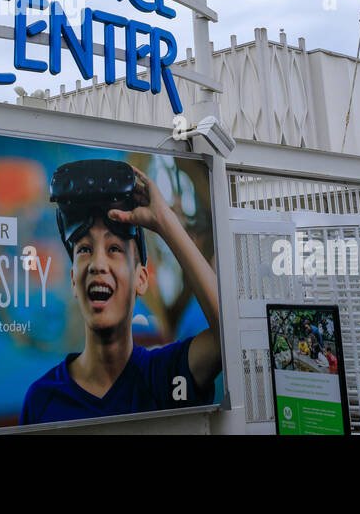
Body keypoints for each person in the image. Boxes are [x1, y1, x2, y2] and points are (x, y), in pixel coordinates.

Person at [21, 160, 222, 425]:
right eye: (84, 249)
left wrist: (164, 220)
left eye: (114, 248)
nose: (97, 264)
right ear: (73, 280)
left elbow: (227, 337)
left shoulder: (167, 376)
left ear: (141, 279)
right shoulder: (42, 399)